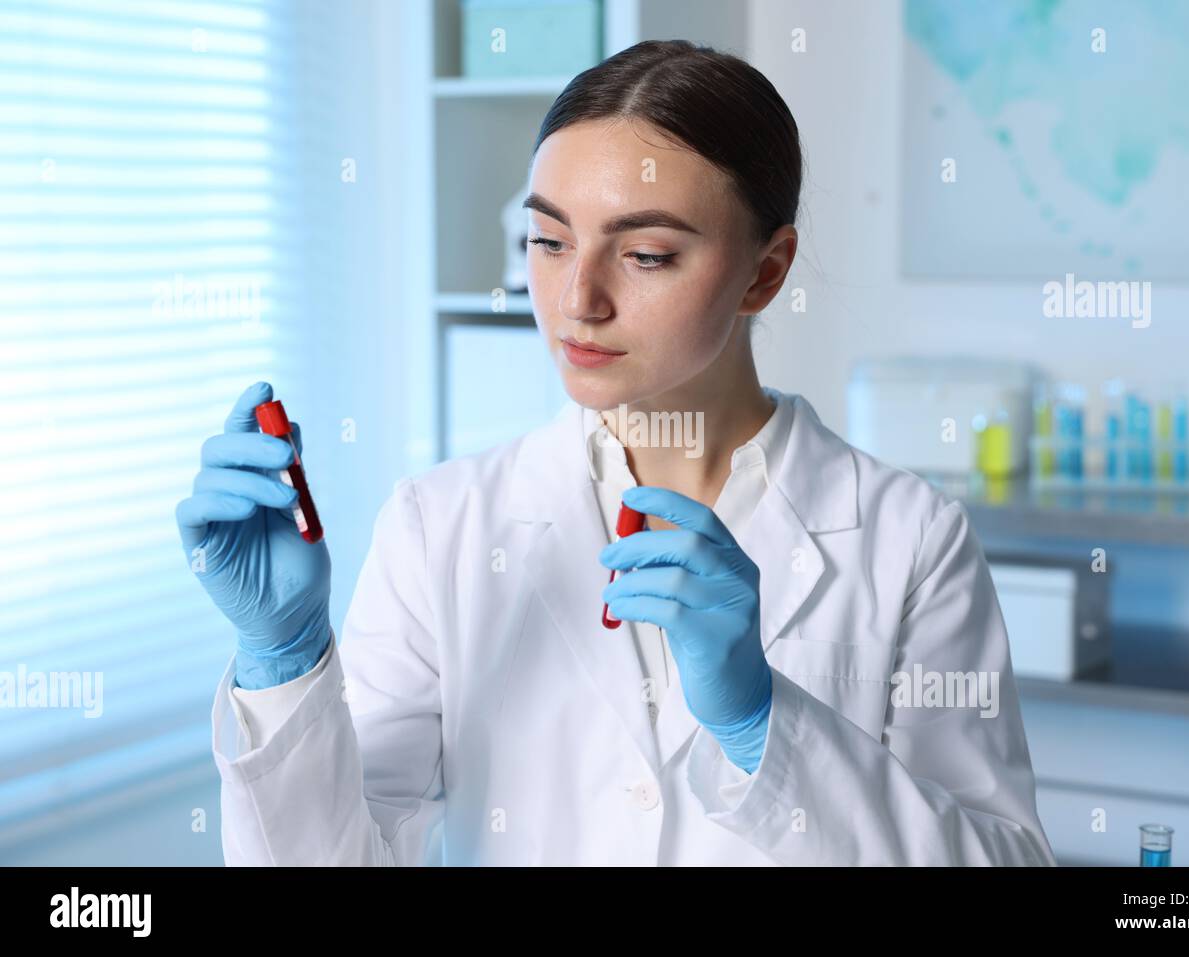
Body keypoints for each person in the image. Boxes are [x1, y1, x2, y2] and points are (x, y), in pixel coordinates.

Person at [177, 39, 1056, 866]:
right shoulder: (441, 526)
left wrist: (765, 723)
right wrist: (284, 659)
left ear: (765, 271)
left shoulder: (910, 539)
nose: (577, 299)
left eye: (644, 253)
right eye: (549, 241)